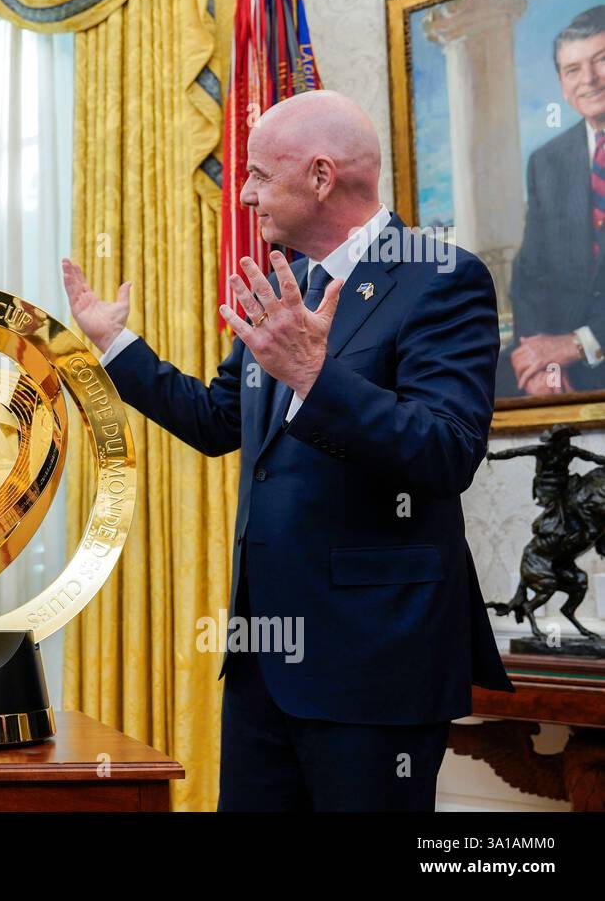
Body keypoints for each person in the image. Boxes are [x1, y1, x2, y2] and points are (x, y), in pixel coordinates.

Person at [62, 89, 512, 811]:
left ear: (322, 176)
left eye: (260, 176)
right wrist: (116, 345)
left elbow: (446, 451)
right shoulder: (283, 285)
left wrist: (314, 376)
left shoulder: (440, 277)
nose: (243, 194)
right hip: (265, 663)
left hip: (374, 665)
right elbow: (217, 422)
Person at [505, 5, 605, 397]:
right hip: (568, 378)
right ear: (562, 85)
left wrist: (580, 342)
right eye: (573, 70)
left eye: (601, 61)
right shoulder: (546, 161)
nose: (590, 80)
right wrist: (537, 361)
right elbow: (530, 274)